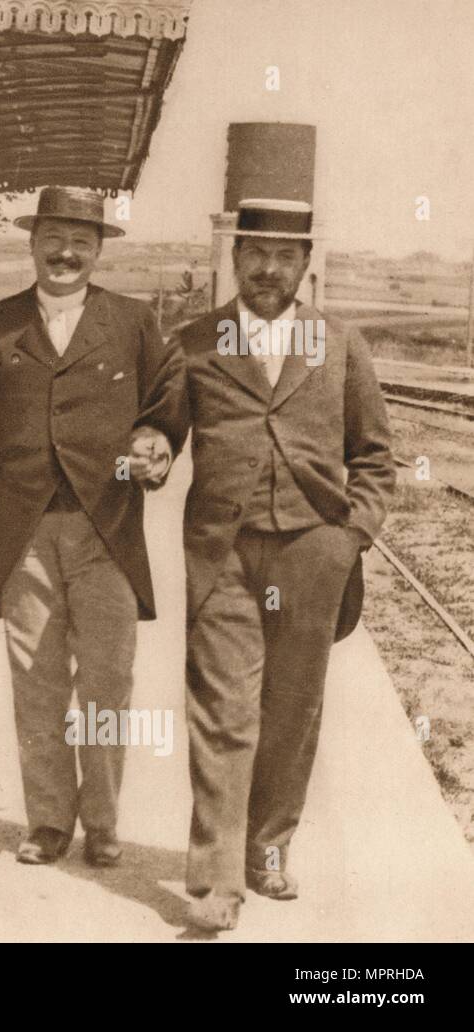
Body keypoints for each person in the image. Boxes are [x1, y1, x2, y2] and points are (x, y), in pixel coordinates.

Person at [178, 198, 394, 932]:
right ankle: (213, 884)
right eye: (255, 254)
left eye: (285, 257)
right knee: (223, 712)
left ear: (306, 265)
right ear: (233, 258)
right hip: (222, 554)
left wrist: (351, 535)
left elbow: (374, 456)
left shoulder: (340, 345)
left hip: (313, 552)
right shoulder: (195, 343)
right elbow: (158, 427)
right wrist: (143, 450)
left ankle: (267, 849)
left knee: (291, 712)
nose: (268, 270)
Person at [0, 185, 188, 868]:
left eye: (80, 243)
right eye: (53, 240)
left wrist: (156, 439)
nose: (65, 253)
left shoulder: (133, 321)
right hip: (24, 529)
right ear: (32, 244)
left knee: (106, 681)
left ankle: (104, 821)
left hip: (108, 529)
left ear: (98, 250)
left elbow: (169, 395)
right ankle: (48, 821)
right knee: (35, 681)